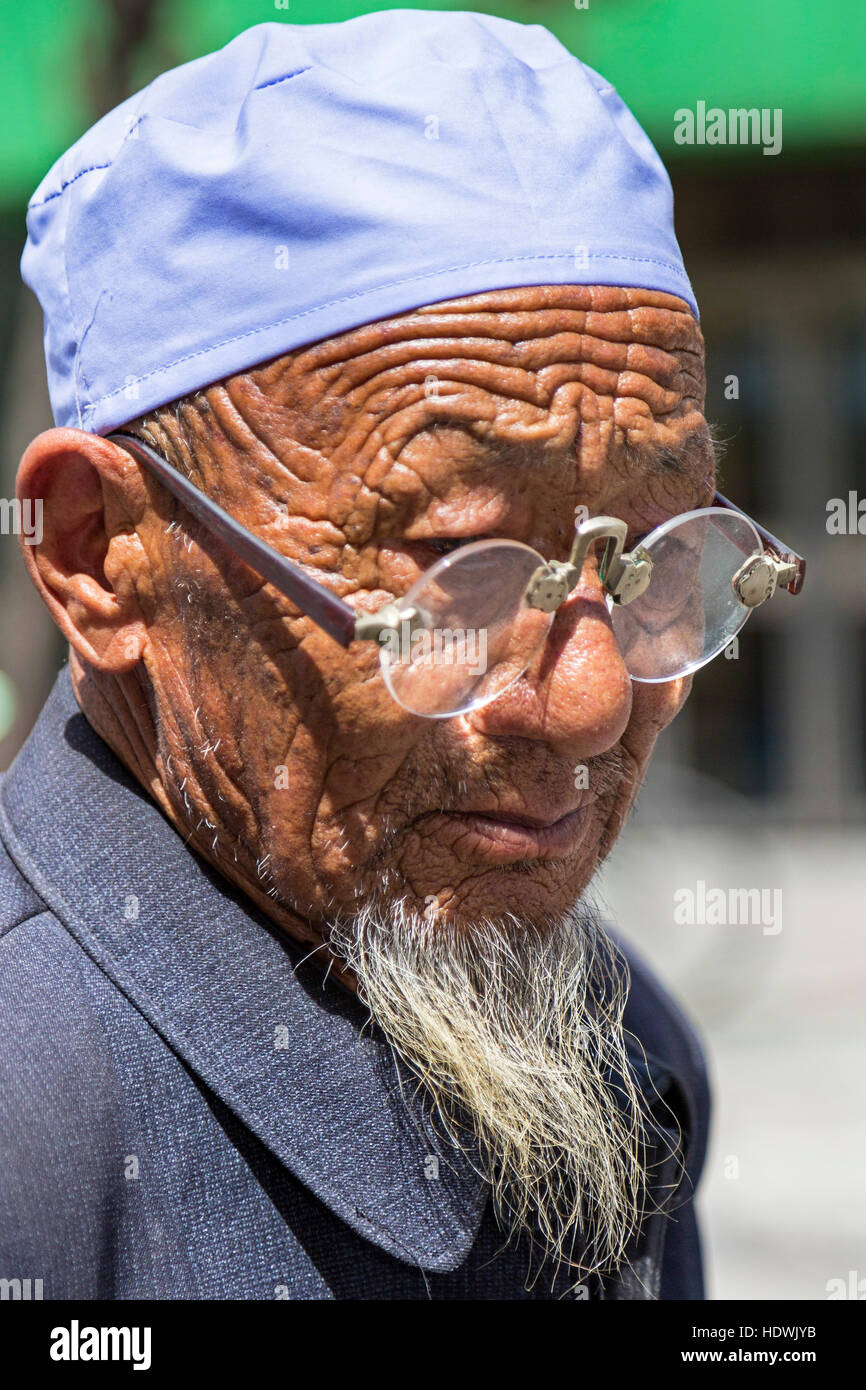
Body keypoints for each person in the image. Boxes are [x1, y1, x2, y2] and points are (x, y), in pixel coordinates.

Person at [3, 8, 788, 1300]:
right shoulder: (31, 1149)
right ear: (102, 553)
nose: (592, 700)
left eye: (652, 556)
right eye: (465, 571)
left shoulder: (616, 1048)